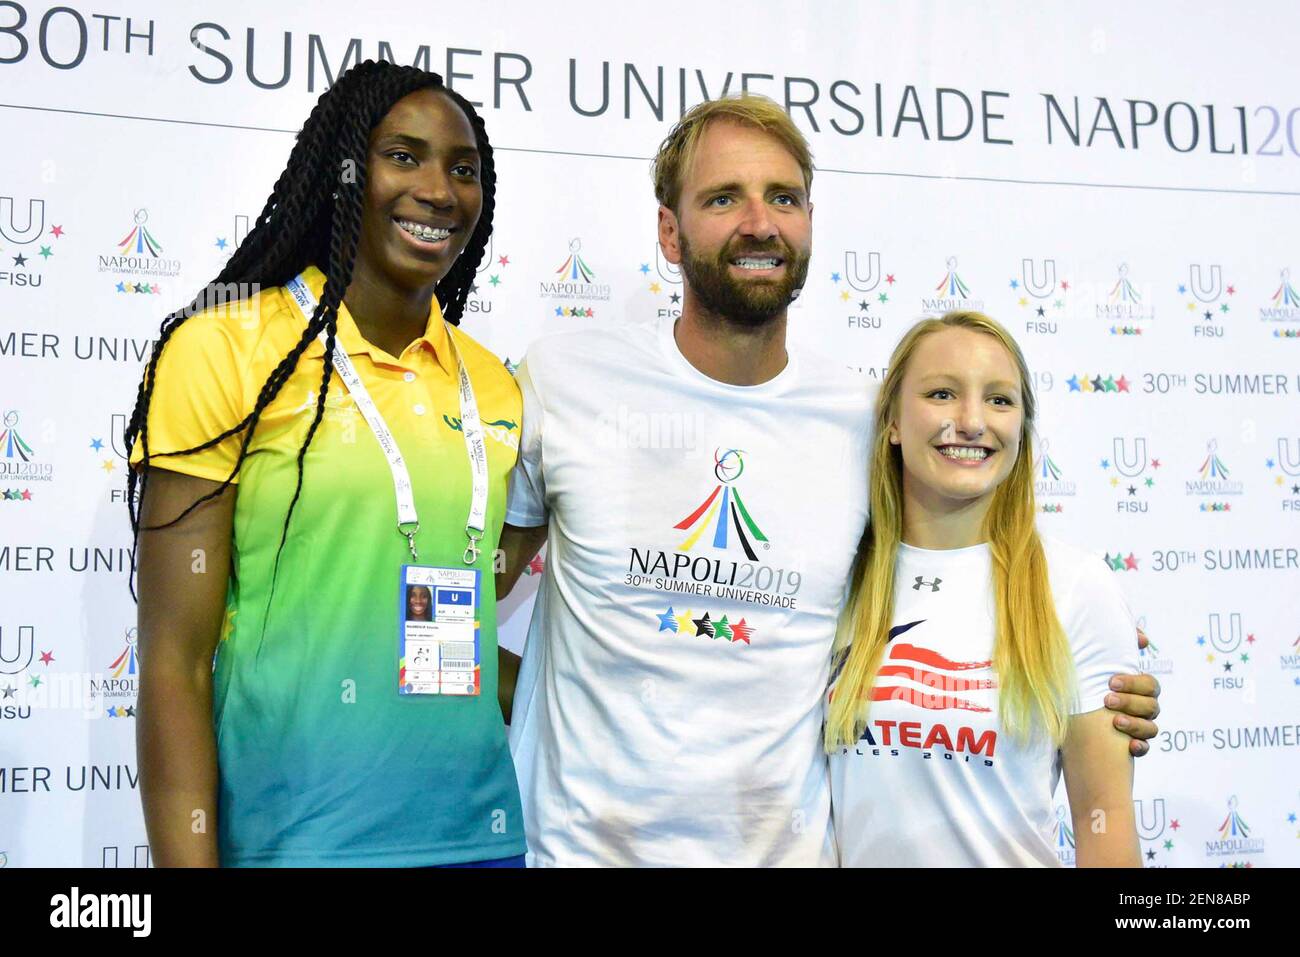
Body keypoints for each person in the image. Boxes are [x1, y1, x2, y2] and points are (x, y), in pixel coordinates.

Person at [495, 94, 1161, 867]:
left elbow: (961, 579)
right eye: (723, 198)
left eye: (784, 198)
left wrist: (1094, 685)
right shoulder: (566, 380)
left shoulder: (865, 423)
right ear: (669, 233)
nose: (760, 222)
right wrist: (532, 708)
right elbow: (476, 593)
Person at [127, 61, 525, 867]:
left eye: (463, 168)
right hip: (296, 846)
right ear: (342, 173)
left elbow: (455, 606)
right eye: (403, 156)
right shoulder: (226, 351)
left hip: (480, 839)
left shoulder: (494, 384)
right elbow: (173, 663)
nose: (440, 190)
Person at [826, 312, 1141, 867]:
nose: (971, 422)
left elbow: (1105, 819)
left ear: (1022, 425)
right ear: (893, 421)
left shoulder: (1074, 586)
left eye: (1000, 400)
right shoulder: (831, 577)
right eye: (942, 393)